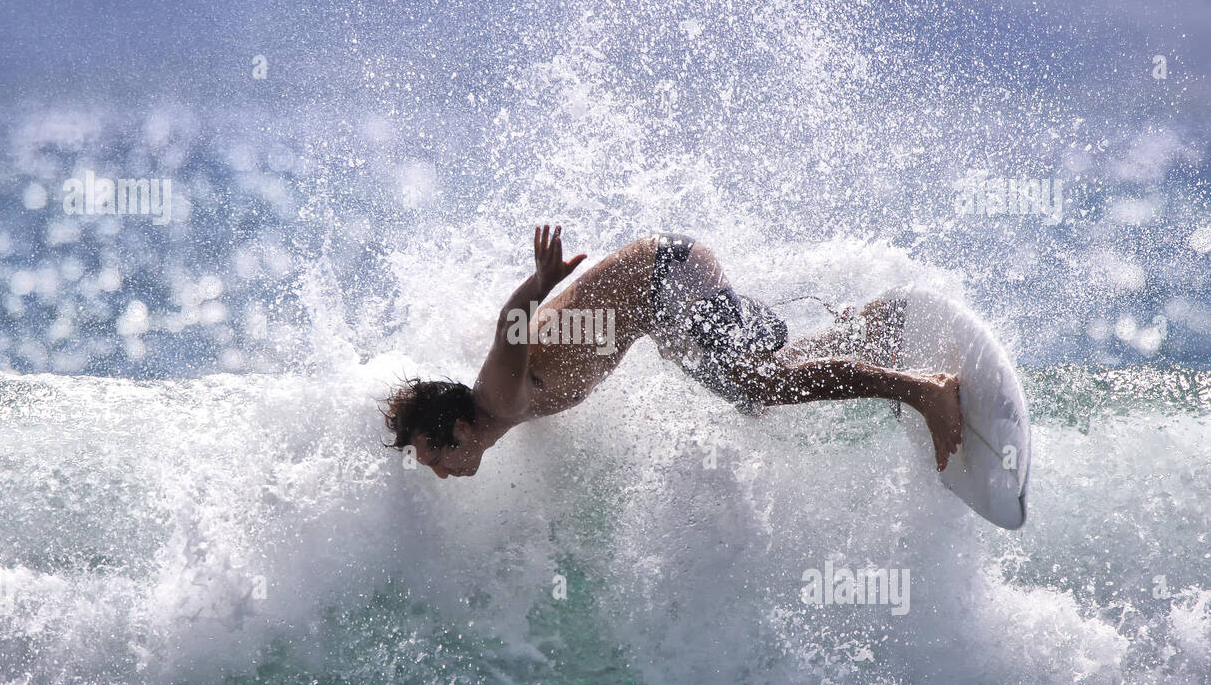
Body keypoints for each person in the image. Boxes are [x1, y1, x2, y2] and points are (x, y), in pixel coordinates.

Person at [383, 225, 961, 478]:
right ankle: (871, 327)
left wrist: (540, 283)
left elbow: (510, 329)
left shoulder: (499, 399)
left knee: (758, 383)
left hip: (667, 276)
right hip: (661, 313)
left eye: (434, 456)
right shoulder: (509, 414)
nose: (439, 473)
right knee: (755, 393)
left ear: (458, 428)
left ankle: (924, 391)